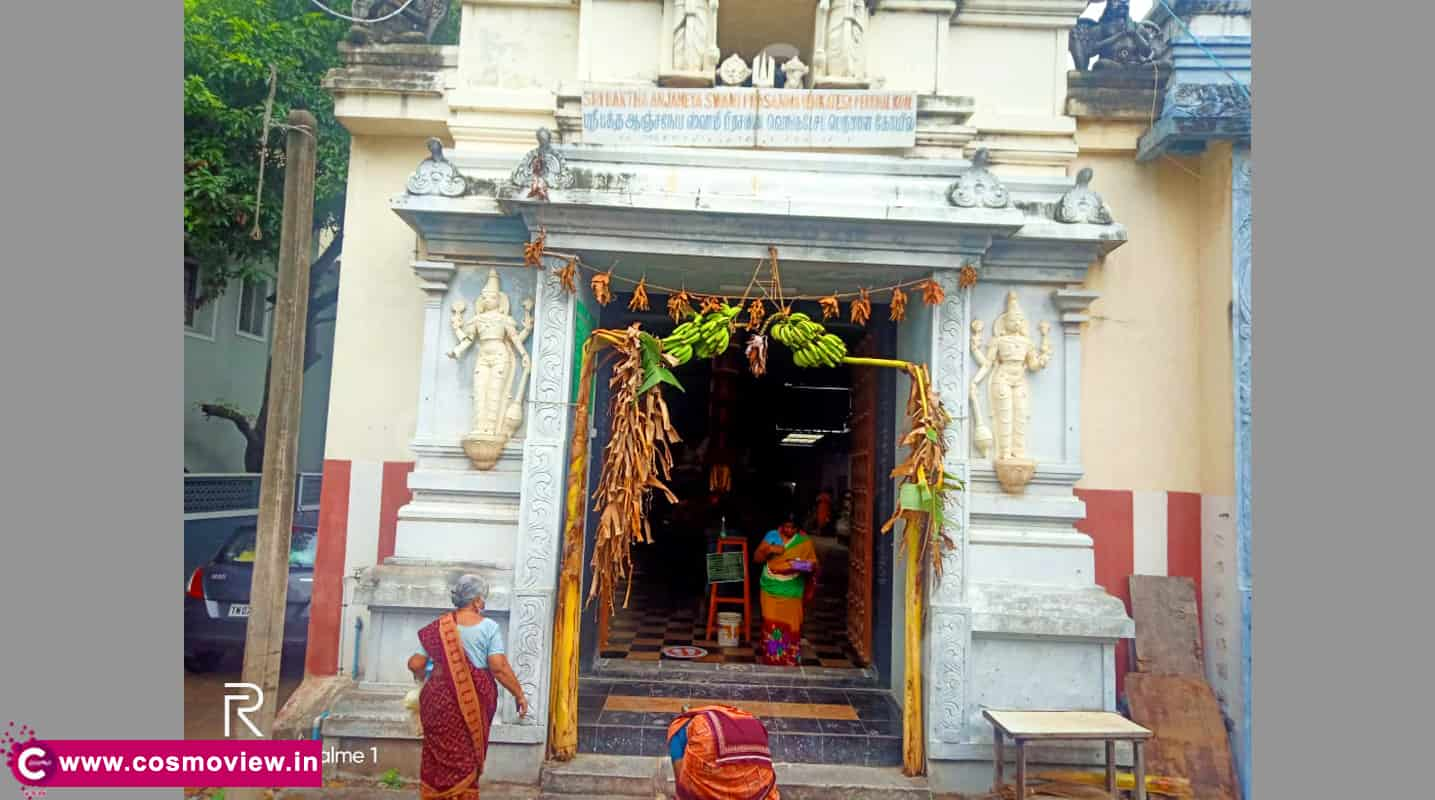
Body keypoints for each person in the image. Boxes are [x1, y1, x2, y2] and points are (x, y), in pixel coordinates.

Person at [405, 574, 529, 800]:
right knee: (465, 757)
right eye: (483, 599)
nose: (484, 603)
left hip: (436, 702)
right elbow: (498, 667)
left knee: (436, 759)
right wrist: (518, 694)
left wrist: (424, 678)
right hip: (471, 703)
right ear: (476, 601)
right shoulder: (489, 627)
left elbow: (415, 663)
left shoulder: (440, 627)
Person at [667, 704, 781, 799]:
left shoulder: (688, 728)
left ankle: (684, 792)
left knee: (676, 735)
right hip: (756, 790)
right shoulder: (746, 718)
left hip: (706, 748)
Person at [753, 512, 819, 667]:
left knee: (791, 624)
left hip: (792, 591)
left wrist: (795, 565)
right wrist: (769, 549)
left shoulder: (804, 541)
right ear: (781, 525)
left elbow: (813, 564)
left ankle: (789, 658)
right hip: (770, 588)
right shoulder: (772, 535)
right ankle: (773, 658)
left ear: (798, 528)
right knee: (771, 623)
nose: (789, 530)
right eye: (786, 527)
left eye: (793, 528)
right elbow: (757, 558)